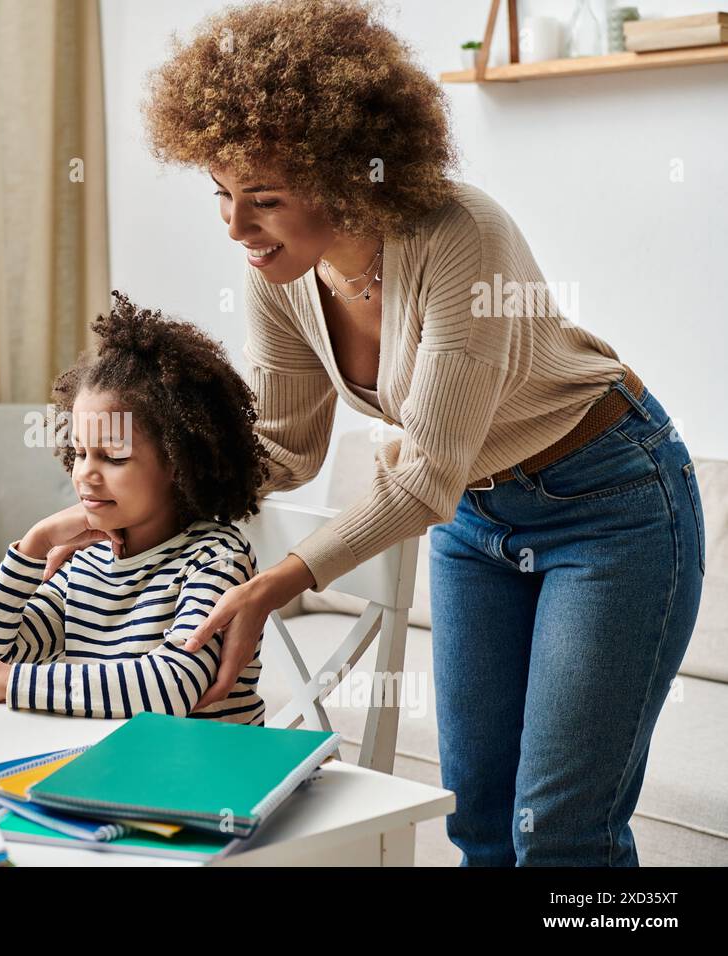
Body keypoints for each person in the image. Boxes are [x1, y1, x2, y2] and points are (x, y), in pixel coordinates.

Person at [142, 0, 705, 865]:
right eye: (221, 193)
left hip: (612, 502)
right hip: (477, 524)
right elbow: (283, 450)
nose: (234, 227)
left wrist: (275, 583)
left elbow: (423, 477)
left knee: (560, 833)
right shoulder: (279, 273)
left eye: (264, 199)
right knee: (477, 819)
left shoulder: (459, 236)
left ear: (343, 176)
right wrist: (134, 498)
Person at [0, 292, 270, 725]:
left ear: (177, 463)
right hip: (115, 769)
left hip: (209, 776)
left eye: (113, 457)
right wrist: (32, 547)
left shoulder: (217, 558)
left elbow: (175, 685)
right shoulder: (85, 562)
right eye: (81, 452)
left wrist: (8, 682)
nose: (86, 473)